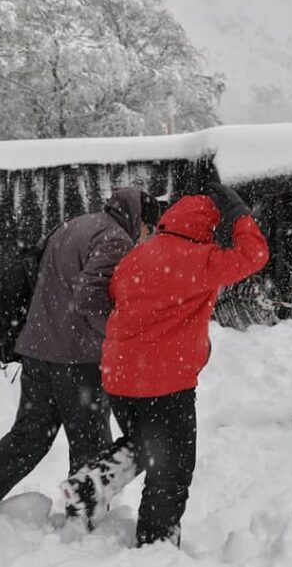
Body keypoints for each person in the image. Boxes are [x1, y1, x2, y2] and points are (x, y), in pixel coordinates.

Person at [0, 188, 160, 523]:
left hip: (37, 350)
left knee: (28, 439)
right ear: (140, 220)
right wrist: (120, 335)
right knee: (90, 444)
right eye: (150, 229)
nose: (147, 237)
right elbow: (90, 299)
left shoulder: (75, 225)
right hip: (77, 359)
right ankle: (83, 520)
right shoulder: (115, 238)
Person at [60, 184, 269, 547]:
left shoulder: (137, 257)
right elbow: (255, 255)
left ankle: (91, 485)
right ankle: (155, 545)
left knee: (146, 445)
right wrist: (240, 215)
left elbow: (117, 294)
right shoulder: (202, 259)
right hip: (165, 382)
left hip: (120, 375)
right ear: (207, 227)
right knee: (172, 469)